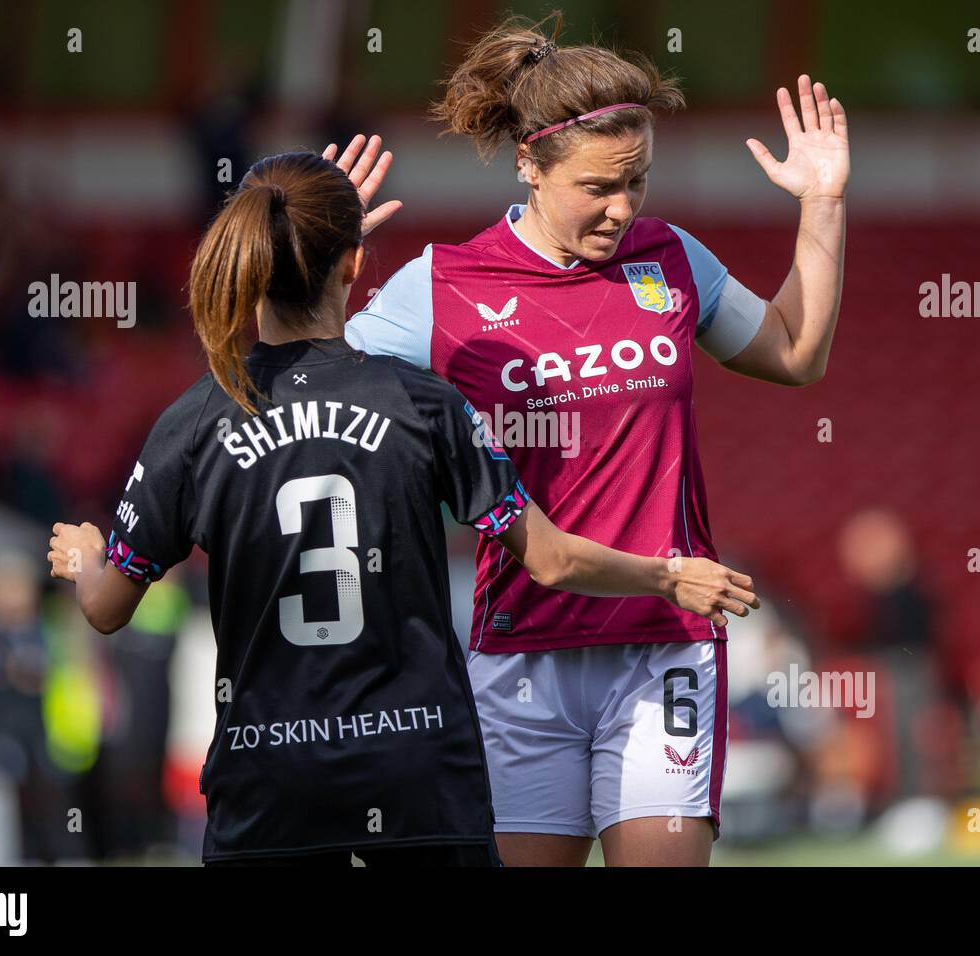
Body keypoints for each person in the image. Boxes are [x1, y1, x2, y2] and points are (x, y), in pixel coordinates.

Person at [46, 151, 757, 867]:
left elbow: (107, 608)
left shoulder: (194, 424)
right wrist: (668, 577)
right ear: (354, 267)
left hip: (269, 783)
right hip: (418, 773)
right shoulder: (424, 406)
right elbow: (550, 556)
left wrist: (85, 561)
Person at [341, 13, 847, 866]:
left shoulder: (669, 257)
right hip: (521, 652)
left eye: (637, 181)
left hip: (665, 648)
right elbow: (293, 381)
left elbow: (795, 352)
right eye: (597, 187)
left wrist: (823, 205)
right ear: (530, 165)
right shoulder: (442, 287)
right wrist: (311, 259)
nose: (622, 208)